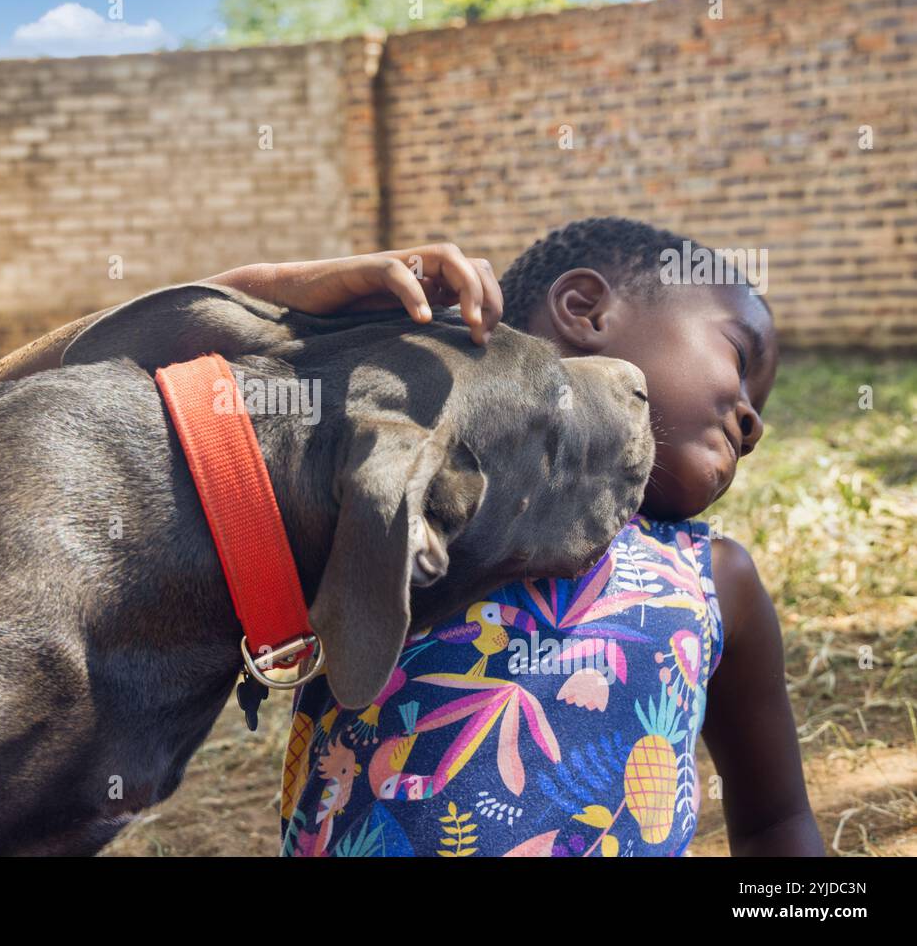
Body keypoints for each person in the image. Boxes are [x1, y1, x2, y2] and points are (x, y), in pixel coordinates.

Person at [198, 218, 822, 857]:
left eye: (759, 409)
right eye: (741, 361)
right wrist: (297, 293)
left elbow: (775, 823)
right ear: (584, 309)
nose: (752, 424)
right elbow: (151, 378)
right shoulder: (390, 487)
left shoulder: (716, 580)